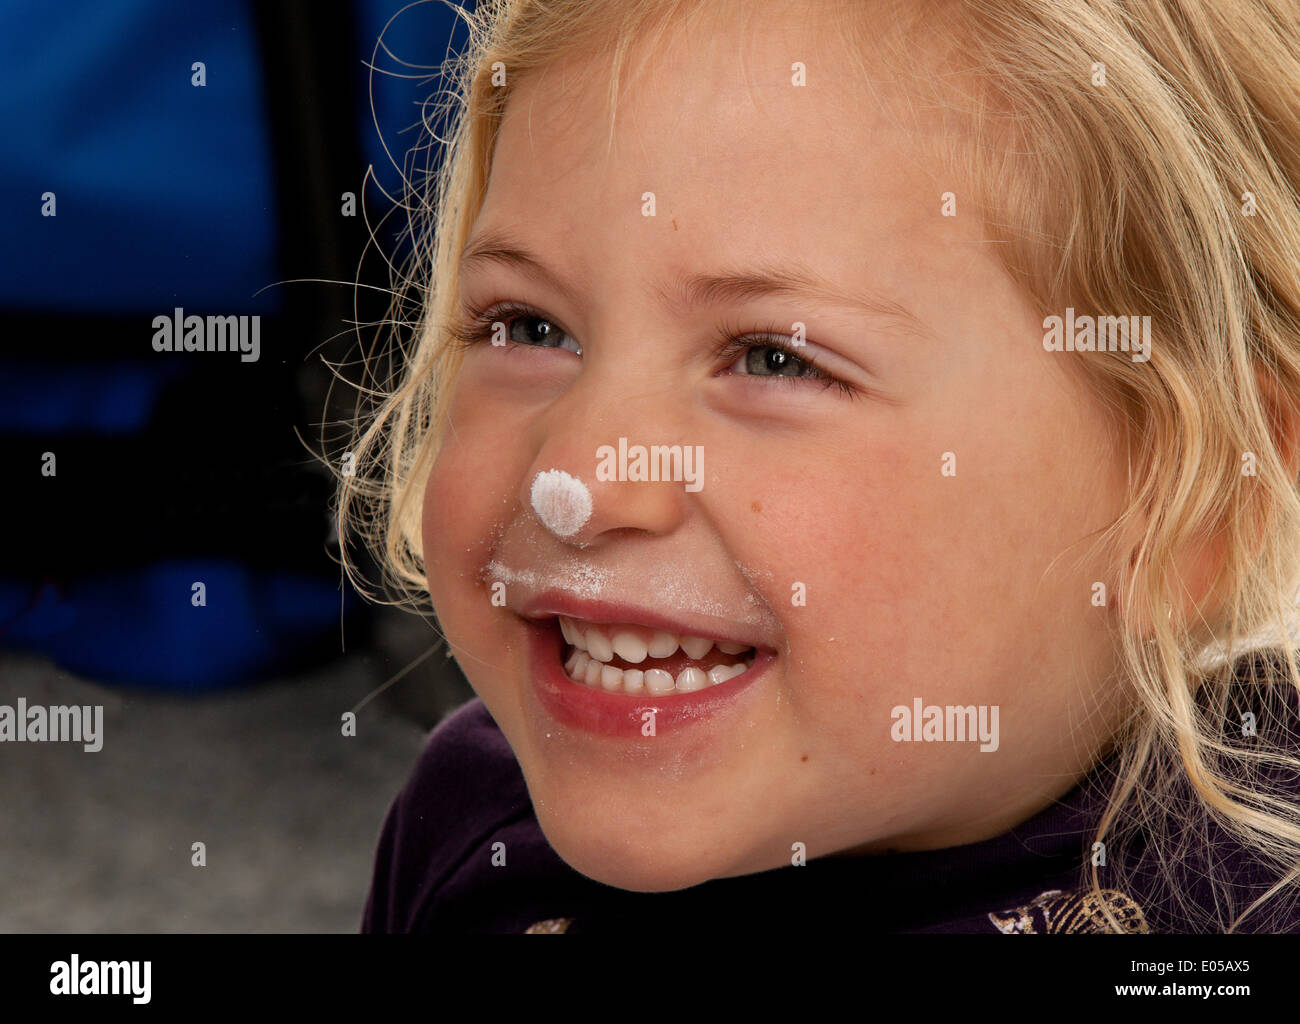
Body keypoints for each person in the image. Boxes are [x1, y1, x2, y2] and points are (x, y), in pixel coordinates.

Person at [339, 0, 1300, 933]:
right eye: (528, 327)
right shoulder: (468, 825)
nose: (579, 483)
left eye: (775, 359)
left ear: (1199, 499)